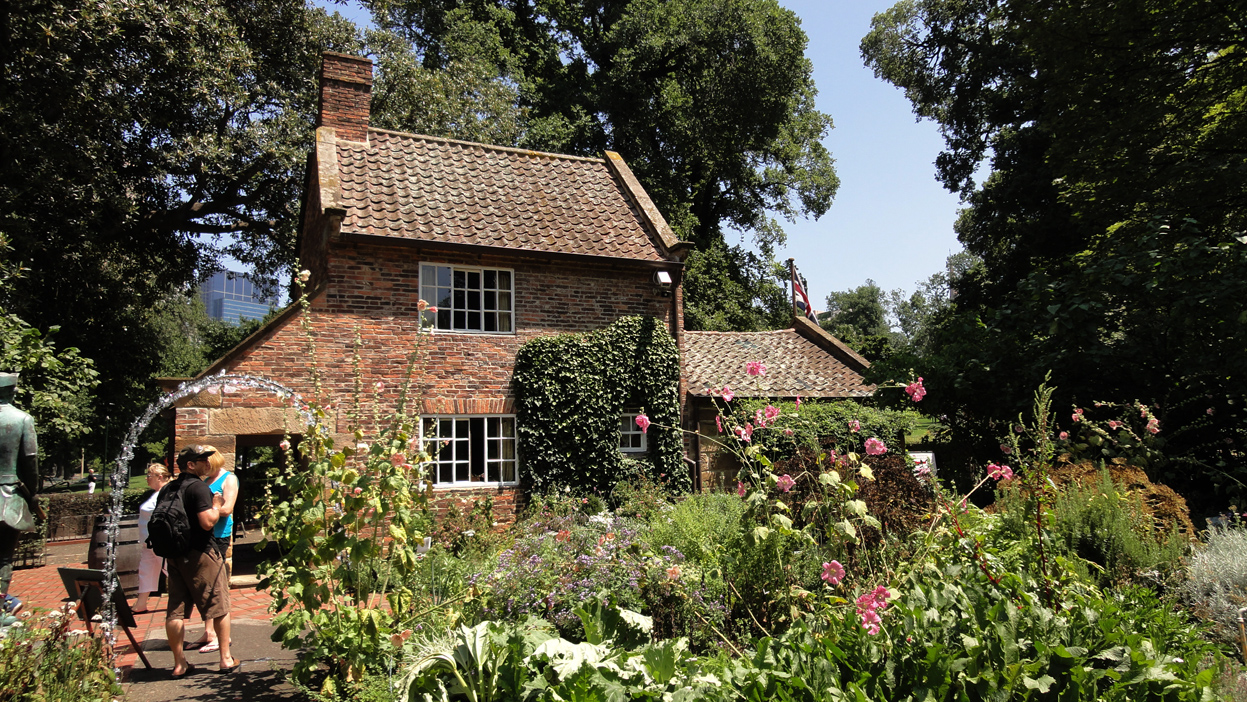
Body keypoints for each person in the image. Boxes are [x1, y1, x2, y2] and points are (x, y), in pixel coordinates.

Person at [162, 445, 237, 676]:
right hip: (201, 554)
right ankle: (225, 659)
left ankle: (179, 663)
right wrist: (215, 505)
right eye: (202, 460)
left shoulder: (168, 488)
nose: (208, 462)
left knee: (175, 611)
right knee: (219, 606)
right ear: (191, 465)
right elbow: (207, 522)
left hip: (174, 556)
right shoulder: (198, 487)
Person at [0, 372, 38, 624]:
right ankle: (2, 608)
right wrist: (34, 494)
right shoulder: (22, 419)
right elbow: (30, 462)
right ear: (12, 391)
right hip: (8, 498)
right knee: (3, 556)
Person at [193, 446, 237, 654]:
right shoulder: (204, 482)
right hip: (204, 535)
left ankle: (221, 638)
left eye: (205, 463)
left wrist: (212, 507)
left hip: (219, 536)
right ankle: (208, 631)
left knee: (217, 587)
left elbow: (227, 509)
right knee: (205, 585)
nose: (203, 467)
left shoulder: (229, 479)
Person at [134, 463, 171, 613]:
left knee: (170, 570)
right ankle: (140, 604)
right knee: (146, 571)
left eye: (149, 476)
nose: (147, 479)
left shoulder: (167, 492)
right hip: (148, 542)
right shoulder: (158, 492)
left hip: (159, 541)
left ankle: (191, 599)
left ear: (159, 477)